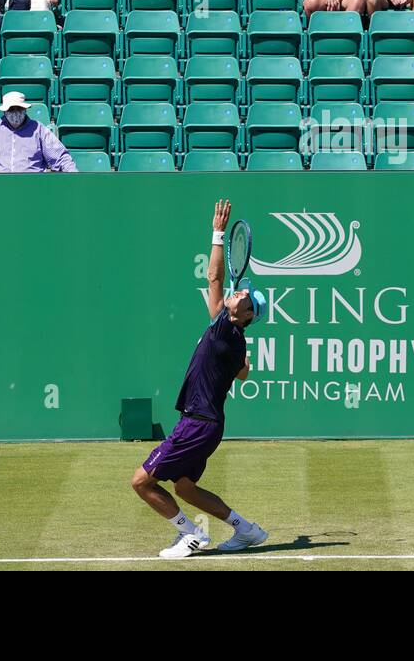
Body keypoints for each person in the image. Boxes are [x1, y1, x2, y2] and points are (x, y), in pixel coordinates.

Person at [131, 199, 271, 558]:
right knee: (186, 488)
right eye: (241, 291)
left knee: (142, 482)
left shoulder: (228, 329)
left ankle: (191, 534)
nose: (237, 294)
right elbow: (242, 373)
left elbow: (213, 278)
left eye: (244, 297)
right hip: (207, 422)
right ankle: (248, 531)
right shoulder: (228, 332)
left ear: (246, 316)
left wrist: (218, 234)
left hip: (197, 423)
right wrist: (241, 363)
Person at [0, 91, 77, 173]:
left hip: (33, 186)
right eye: (11, 109)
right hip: (0, 185)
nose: (15, 112)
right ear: (4, 111)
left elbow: (60, 158)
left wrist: (76, 178)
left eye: (19, 108)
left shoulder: (38, 129)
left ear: (25, 109)